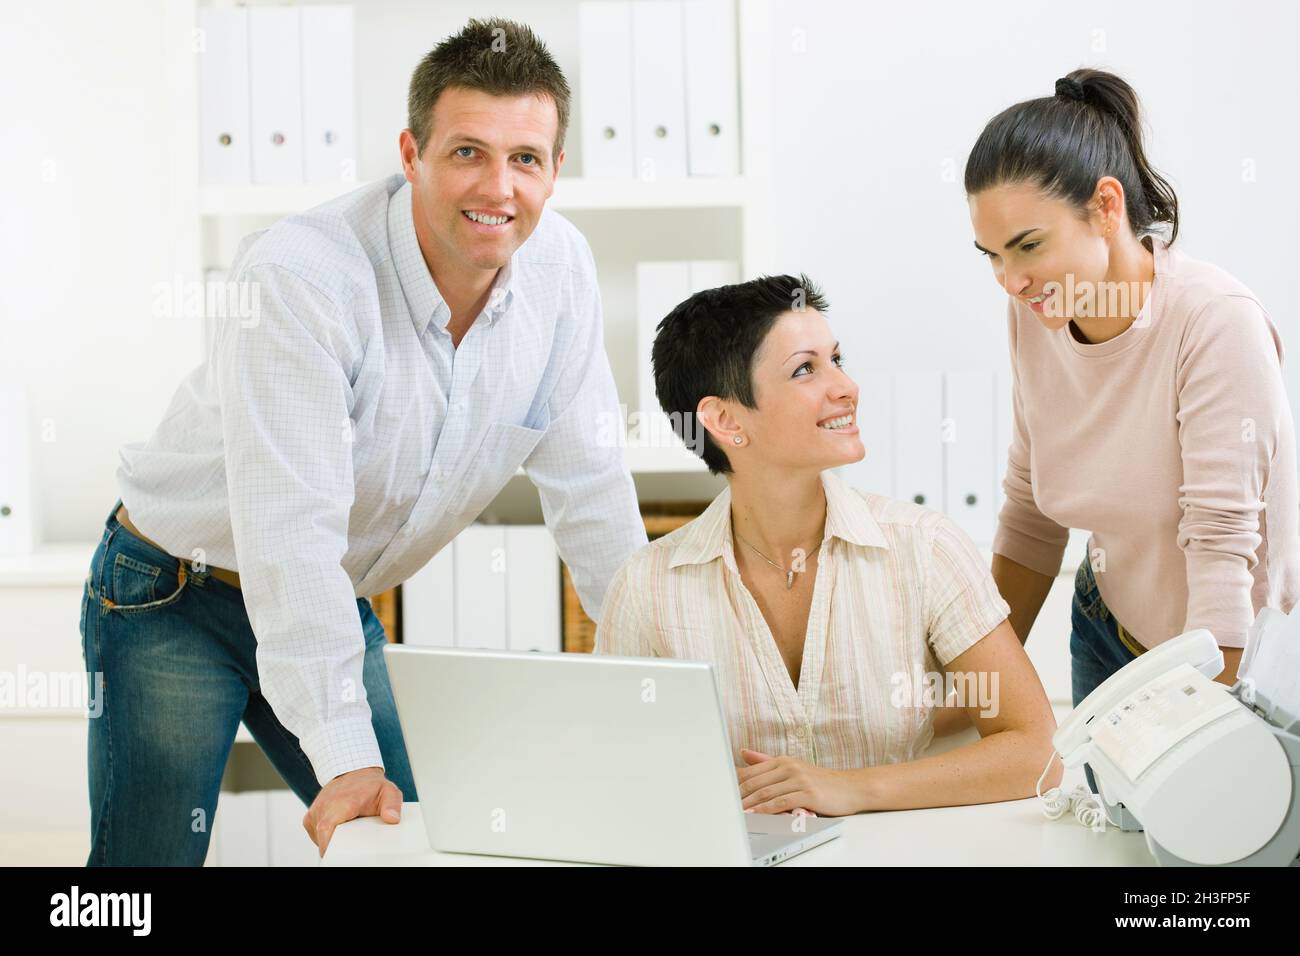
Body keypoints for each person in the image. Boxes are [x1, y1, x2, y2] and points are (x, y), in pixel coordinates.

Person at [81, 18, 646, 864]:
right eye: (466, 152)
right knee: (143, 874)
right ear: (411, 154)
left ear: (556, 169)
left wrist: (664, 677)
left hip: (324, 596)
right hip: (174, 591)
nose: (498, 184)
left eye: (525, 157)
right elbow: (290, 531)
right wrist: (345, 759)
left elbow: (592, 491)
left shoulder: (561, 273)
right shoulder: (302, 277)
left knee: (429, 836)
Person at [595, 275, 1060, 816]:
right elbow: (620, 776)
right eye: (805, 369)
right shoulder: (648, 586)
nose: (846, 387)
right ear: (725, 419)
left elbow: (1037, 751)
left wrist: (853, 789)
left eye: (837, 359)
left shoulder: (924, 549)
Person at [965, 69, 1299, 741]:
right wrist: (973, 688)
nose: (1010, 280)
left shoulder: (1212, 323)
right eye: (992, 256)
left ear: (1106, 207)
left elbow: (1221, 552)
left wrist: (1213, 736)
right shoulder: (1037, 312)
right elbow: (1031, 513)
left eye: (1028, 245)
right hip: (1106, 631)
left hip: (1235, 656)